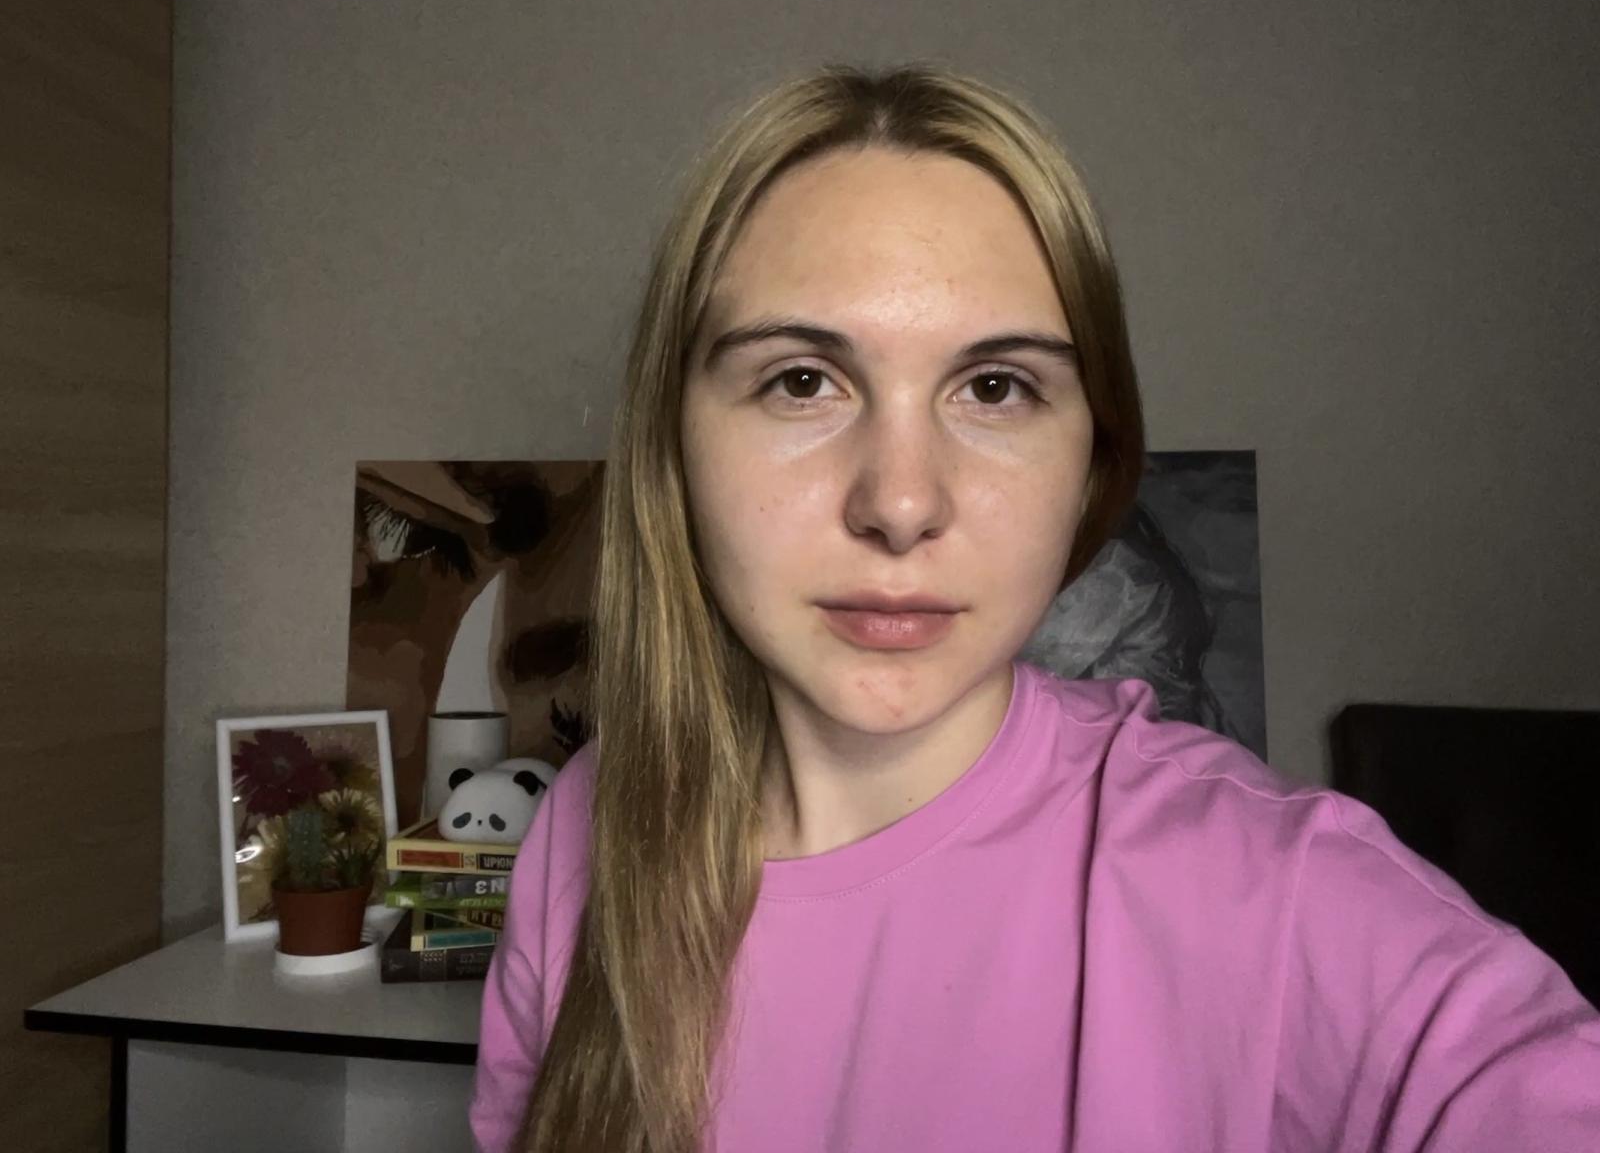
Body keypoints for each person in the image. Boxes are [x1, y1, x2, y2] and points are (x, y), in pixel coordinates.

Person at [469, 63, 1600, 1152]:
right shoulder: (581, 836)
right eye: (801, 381)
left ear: (1091, 465)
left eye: (996, 388)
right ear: (674, 447)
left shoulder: (1281, 892)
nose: (901, 504)